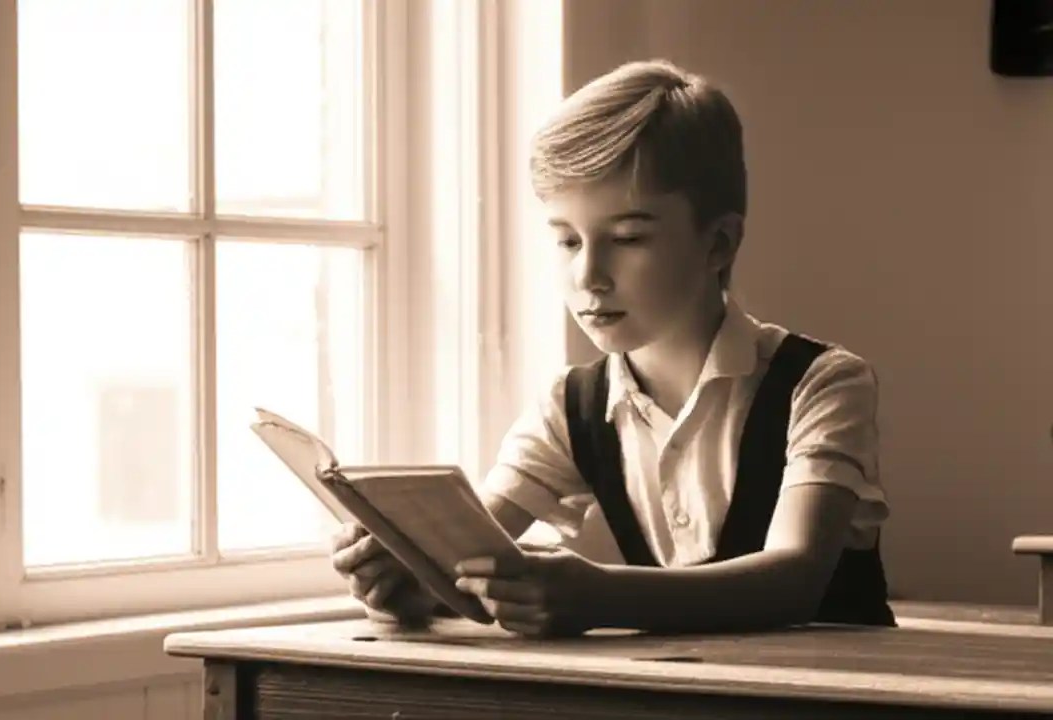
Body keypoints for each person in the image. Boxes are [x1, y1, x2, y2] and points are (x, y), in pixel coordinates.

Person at [331, 58, 895, 637]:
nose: (589, 274)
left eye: (627, 238)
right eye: (567, 240)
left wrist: (601, 596)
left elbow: (794, 580)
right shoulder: (569, 407)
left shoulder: (823, 384)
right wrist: (406, 581)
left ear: (719, 241)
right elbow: (472, 567)